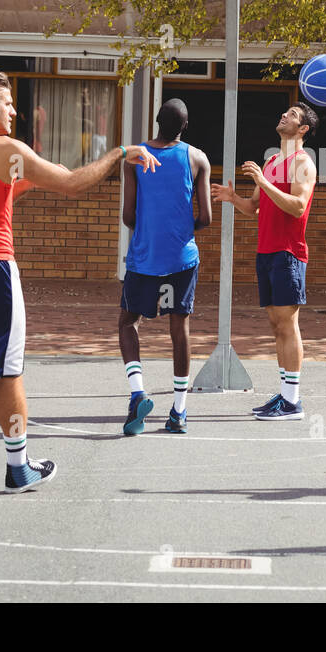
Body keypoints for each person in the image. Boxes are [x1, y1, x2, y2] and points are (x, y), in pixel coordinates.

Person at [0, 70, 157, 508]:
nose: (14, 110)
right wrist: (122, 152)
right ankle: (17, 467)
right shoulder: (7, 148)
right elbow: (71, 184)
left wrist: (21, 183)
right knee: (9, 373)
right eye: (7, 103)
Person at [211, 103, 318, 421]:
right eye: (284, 112)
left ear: (302, 130)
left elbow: (298, 206)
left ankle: (293, 402)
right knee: (276, 326)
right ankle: (285, 395)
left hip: (288, 253)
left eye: (293, 116)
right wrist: (234, 199)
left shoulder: (302, 163)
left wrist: (263, 181)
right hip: (266, 252)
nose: (284, 115)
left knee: (288, 325)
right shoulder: (272, 161)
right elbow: (255, 208)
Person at [117, 99, 212, 435]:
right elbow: (206, 217)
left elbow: (128, 216)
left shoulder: (135, 156)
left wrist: (150, 228)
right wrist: (181, 229)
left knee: (129, 323)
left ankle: (138, 392)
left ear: (155, 121)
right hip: (181, 259)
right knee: (179, 329)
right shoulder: (197, 157)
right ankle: (179, 411)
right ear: (185, 127)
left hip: (145, 257)